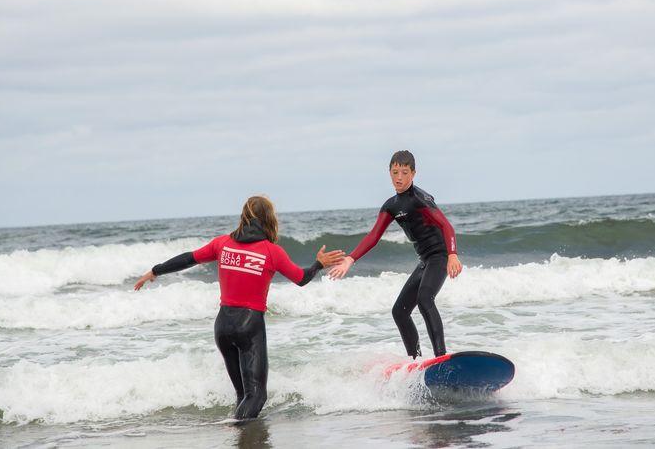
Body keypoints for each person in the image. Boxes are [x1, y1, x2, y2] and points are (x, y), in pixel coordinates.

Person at [133, 195, 344, 420]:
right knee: (257, 396)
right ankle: (239, 432)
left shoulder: (221, 244)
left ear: (244, 217)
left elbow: (188, 259)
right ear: (269, 219)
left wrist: (155, 271)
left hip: (222, 326)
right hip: (249, 325)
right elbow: (301, 278)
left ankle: (241, 437)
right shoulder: (271, 251)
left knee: (243, 394)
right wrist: (318, 264)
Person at [327, 150, 462, 359]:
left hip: (440, 256)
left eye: (405, 172)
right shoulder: (391, 206)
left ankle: (441, 358)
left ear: (413, 174)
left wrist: (452, 254)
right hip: (425, 260)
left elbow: (447, 226)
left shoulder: (420, 199)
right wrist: (350, 258)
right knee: (399, 311)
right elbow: (373, 236)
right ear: (389, 172)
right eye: (395, 172)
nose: (399, 177)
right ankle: (415, 361)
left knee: (425, 299)